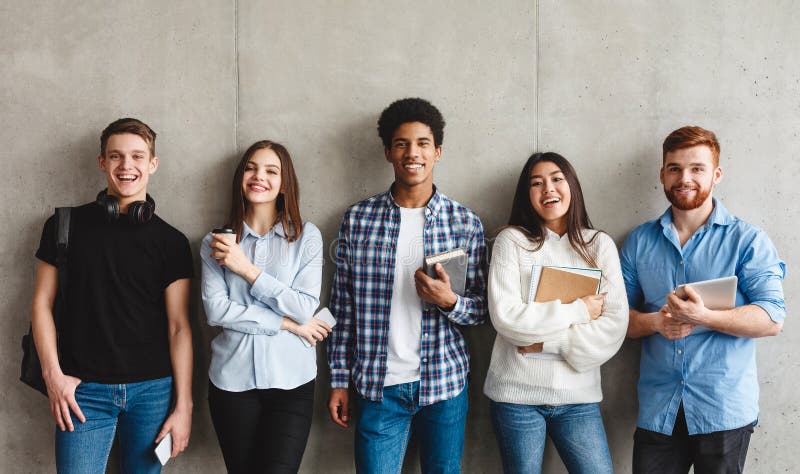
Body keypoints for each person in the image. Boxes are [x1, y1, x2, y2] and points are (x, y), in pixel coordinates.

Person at [327, 98, 487, 473]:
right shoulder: (358, 219)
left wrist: (450, 302)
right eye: (401, 144)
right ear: (388, 152)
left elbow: (484, 309)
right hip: (376, 386)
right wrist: (338, 380)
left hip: (445, 386)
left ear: (438, 152)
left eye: (422, 143)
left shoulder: (464, 222)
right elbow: (343, 307)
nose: (412, 153)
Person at [30, 118, 194, 473]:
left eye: (137, 156)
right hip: (83, 390)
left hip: (152, 392)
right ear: (102, 162)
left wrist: (184, 406)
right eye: (116, 156)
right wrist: (53, 377)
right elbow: (41, 305)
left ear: (153, 164)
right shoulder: (63, 226)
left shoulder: (171, 242)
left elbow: (179, 327)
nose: (126, 166)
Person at [622, 126, 786, 474]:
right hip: (658, 410)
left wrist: (703, 316)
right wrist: (656, 322)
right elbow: (614, 317)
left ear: (717, 174)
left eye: (697, 168)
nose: (685, 178)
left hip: (723, 408)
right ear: (662, 174)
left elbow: (773, 318)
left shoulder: (748, 240)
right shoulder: (638, 242)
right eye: (675, 168)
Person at [484, 152, 628, 474]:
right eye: (536, 183)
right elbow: (507, 319)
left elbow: (614, 326)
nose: (548, 188)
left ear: (571, 186)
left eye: (556, 179)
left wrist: (547, 343)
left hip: (578, 398)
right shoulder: (511, 241)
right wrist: (580, 309)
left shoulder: (599, 245)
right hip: (516, 398)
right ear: (527, 195)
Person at [201, 140, 328, 474]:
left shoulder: (306, 237)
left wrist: (246, 269)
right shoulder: (215, 242)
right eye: (251, 168)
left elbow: (303, 307)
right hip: (231, 383)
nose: (259, 176)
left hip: (292, 383)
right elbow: (216, 312)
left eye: (271, 171)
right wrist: (286, 324)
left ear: (284, 183)